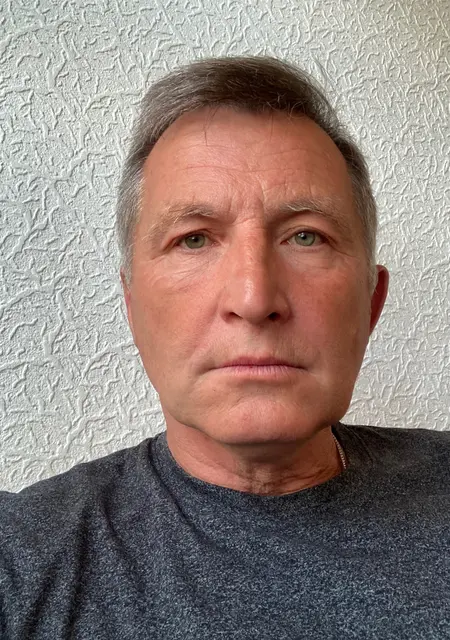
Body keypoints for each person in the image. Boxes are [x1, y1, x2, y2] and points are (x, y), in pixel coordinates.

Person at [1, 55, 449, 640]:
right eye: (193, 239)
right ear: (133, 307)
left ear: (371, 304)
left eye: (306, 236)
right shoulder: (23, 562)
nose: (254, 298)